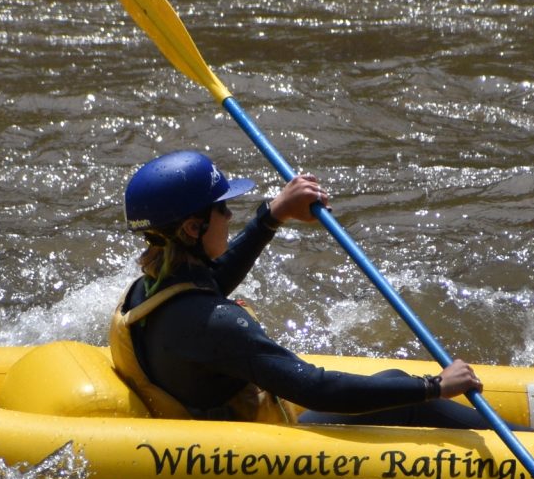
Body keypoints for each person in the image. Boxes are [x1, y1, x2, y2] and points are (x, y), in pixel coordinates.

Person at [110, 150, 485, 426]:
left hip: (210, 416)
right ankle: (522, 449)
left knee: (394, 384)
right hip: (254, 447)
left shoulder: (146, 291)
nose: (230, 215)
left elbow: (211, 284)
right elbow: (314, 389)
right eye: (222, 209)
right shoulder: (214, 323)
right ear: (193, 228)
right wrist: (434, 386)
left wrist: (274, 214)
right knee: (404, 394)